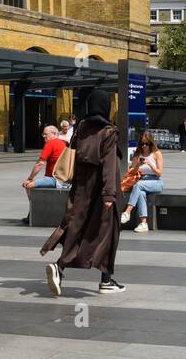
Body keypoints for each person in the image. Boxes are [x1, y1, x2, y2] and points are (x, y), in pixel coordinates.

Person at [41, 88, 125, 295]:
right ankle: (105, 279)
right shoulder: (109, 132)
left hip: (80, 188)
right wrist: (109, 195)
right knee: (107, 232)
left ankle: (60, 268)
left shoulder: (81, 127)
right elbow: (109, 166)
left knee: (76, 227)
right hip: (101, 189)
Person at [21, 124, 68, 223]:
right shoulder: (62, 143)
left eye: (45, 134)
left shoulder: (50, 144)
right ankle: (32, 213)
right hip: (64, 179)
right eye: (43, 134)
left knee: (28, 185)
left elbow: (40, 164)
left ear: (54, 133)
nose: (43, 136)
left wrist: (30, 177)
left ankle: (34, 213)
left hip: (54, 179)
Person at [120, 129, 164, 233]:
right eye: (142, 143)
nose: (144, 146)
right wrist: (138, 165)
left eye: (146, 144)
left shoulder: (156, 154)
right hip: (142, 181)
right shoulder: (138, 153)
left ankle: (127, 212)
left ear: (151, 143)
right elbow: (132, 171)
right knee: (141, 193)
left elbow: (159, 173)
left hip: (156, 182)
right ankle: (144, 223)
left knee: (138, 186)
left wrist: (150, 164)